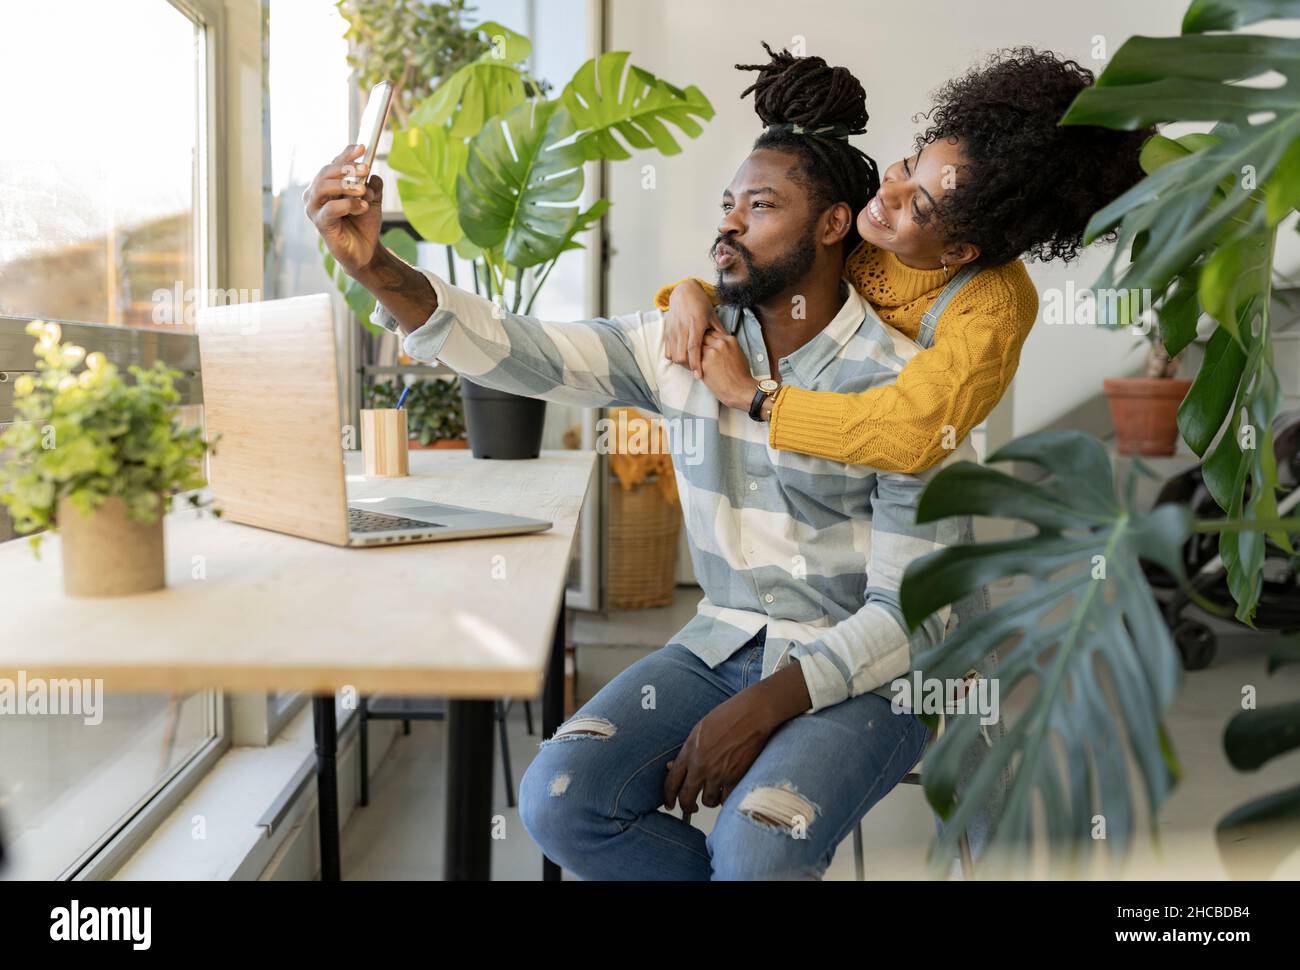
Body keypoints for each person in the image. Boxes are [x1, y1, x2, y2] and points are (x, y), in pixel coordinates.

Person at [306, 46, 961, 880]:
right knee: (560, 799)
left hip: (873, 671)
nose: (729, 223)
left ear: (834, 225)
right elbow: (523, 351)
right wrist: (376, 267)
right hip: (721, 641)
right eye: (728, 204)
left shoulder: (910, 389)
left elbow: (915, 618)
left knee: (755, 850)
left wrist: (763, 708)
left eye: (760, 207)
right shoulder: (685, 347)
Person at [658, 46, 1152, 473]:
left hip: (897, 485)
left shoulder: (994, 307)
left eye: (918, 205)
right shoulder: (858, 222)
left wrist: (754, 398)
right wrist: (689, 293)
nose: (887, 193)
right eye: (910, 166)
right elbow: (777, 274)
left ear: (959, 251)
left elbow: (912, 432)